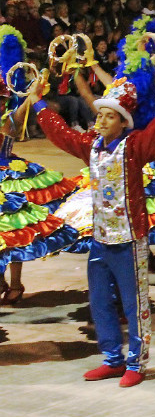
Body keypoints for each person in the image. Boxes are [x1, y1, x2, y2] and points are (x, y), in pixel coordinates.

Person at [28, 33, 155, 387]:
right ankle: (112, 358)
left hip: (130, 239)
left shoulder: (134, 146)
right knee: (100, 300)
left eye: (107, 116)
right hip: (101, 238)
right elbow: (62, 135)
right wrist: (39, 103)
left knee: (135, 305)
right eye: (99, 115)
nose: (99, 120)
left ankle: (136, 363)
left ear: (122, 122)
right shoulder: (92, 147)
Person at [0, 25, 80, 305]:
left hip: (7, 177)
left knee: (13, 232)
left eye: (1, 99)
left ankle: (16, 284)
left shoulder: (8, 117)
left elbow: (16, 121)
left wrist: (32, 94)